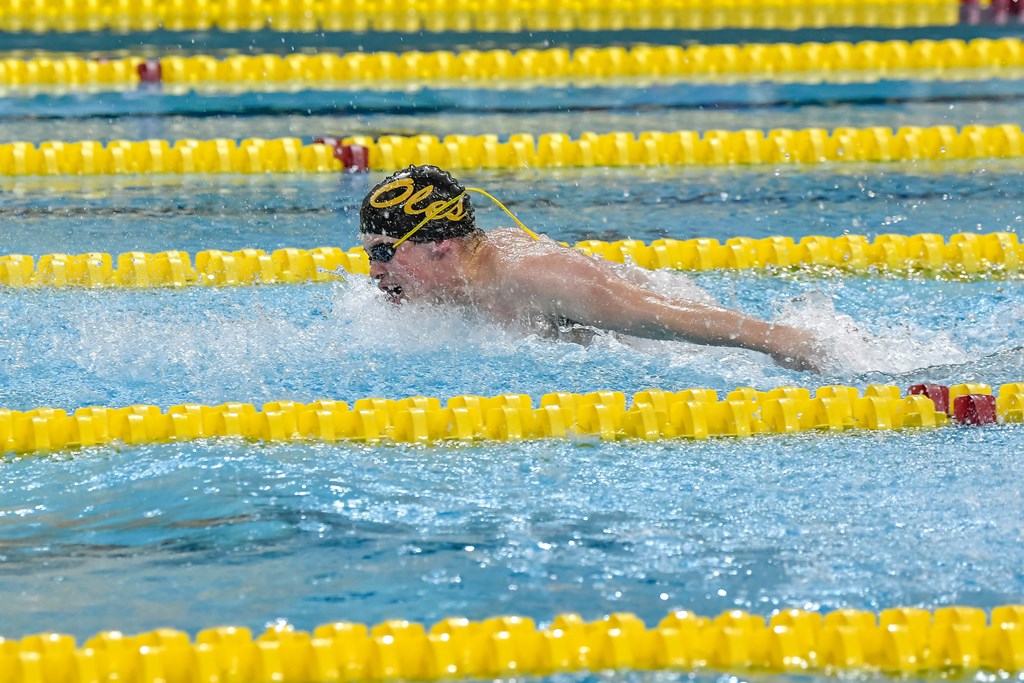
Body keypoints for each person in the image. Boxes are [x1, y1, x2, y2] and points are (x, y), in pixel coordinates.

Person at [359, 164, 825, 372]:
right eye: (367, 255)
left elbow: (657, 315)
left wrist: (779, 340)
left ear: (439, 242)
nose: (374, 273)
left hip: (678, 353)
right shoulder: (435, 289)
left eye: (383, 252)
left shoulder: (533, 275)